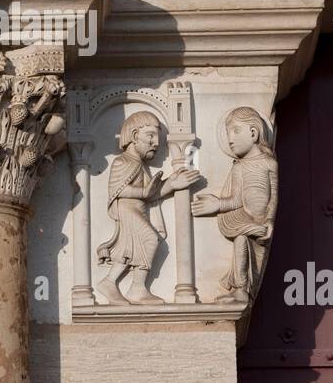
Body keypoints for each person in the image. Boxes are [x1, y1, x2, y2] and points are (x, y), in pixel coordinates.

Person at [96, 111, 201, 306]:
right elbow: (117, 190)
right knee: (150, 239)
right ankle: (136, 288)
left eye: (158, 137)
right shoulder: (123, 161)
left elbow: (150, 194)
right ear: (135, 136)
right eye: (150, 136)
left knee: (130, 249)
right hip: (127, 209)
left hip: (138, 210)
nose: (156, 143)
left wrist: (172, 184)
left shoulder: (139, 164)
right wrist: (144, 192)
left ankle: (111, 282)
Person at [191, 107, 277, 304]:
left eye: (236, 131)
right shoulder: (239, 166)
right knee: (240, 239)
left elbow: (273, 198)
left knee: (256, 257)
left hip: (262, 223)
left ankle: (245, 288)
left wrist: (270, 220)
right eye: (228, 133)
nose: (230, 139)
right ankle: (240, 288)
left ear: (253, 133)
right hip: (244, 219)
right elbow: (236, 200)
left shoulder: (269, 163)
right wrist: (217, 205)